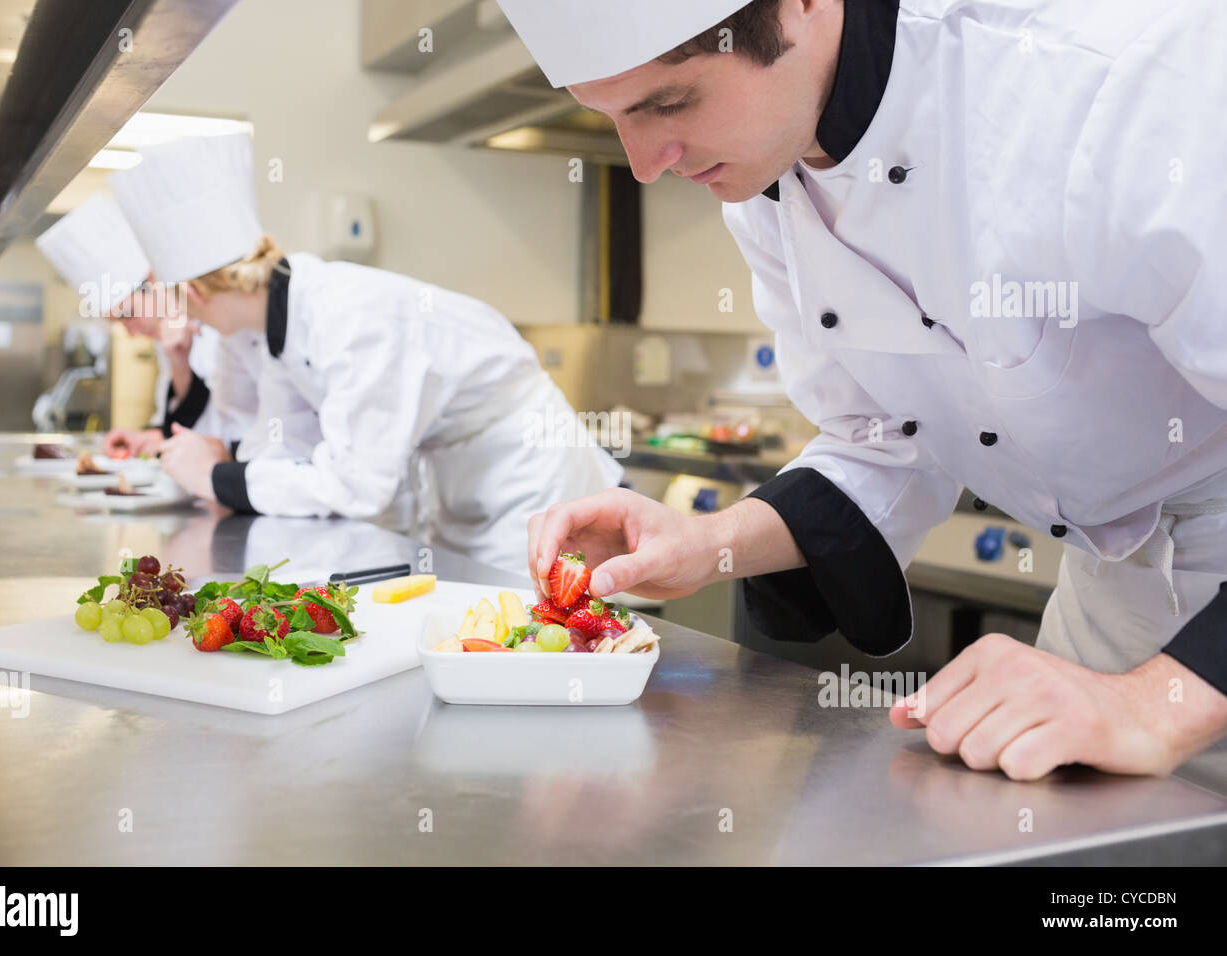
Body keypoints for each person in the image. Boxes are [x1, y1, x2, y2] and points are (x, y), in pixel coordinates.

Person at [500, 0, 1227, 779]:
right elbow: (881, 436)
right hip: (1112, 610)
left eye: (672, 101)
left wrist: (1156, 704)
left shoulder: (1116, 80)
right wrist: (710, 543)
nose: (646, 162)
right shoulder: (767, 180)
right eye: (610, 116)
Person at [110, 133, 623, 573]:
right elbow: (288, 445)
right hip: (456, 478)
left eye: (186, 306)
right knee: (477, 625)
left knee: (533, 629)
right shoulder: (276, 326)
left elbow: (355, 483)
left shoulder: (353, 319)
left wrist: (219, 477)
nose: (192, 324)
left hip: (527, 475)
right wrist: (232, 464)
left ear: (195, 293)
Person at [36, 191, 257, 456]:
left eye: (128, 314)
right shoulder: (168, 339)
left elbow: (230, 429)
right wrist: (146, 438)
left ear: (153, 282)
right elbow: (186, 424)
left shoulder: (222, 324)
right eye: (118, 323)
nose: (131, 332)